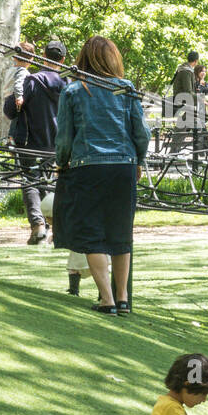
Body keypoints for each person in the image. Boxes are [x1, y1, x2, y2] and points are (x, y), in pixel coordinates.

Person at [54, 36, 150, 315]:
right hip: (124, 166)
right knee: (121, 232)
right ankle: (123, 299)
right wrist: (139, 160)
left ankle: (106, 299)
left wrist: (62, 163)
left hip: (88, 165)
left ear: (84, 60)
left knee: (92, 231)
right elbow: (141, 131)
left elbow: (64, 138)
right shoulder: (126, 89)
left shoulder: (73, 91)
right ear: (113, 59)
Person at [8, 40, 67, 243]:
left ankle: (38, 226)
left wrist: (13, 97)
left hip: (30, 141)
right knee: (49, 183)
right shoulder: (67, 84)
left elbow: (10, 110)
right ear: (63, 60)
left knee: (30, 181)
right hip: (57, 142)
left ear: (42, 55)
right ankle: (53, 225)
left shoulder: (32, 80)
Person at [170, 51, 199, 155]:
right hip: (184, 102)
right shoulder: (186, 71)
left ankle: (175, 152)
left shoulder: (183, 69)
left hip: (185, 102)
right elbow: (187, 90)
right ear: (196, 61)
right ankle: (173, 152)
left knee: (187, 126)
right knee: (182, 128)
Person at [6, 42, 36, 131]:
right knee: (20, 121)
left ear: (15, 57)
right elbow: (18, 84)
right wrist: (19, 97)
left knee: (16, 122)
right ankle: (15, 139)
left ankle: (12, 137)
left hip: (7, 100)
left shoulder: (11, 70)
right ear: (31, 59)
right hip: (14, 101)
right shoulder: (22, 71)